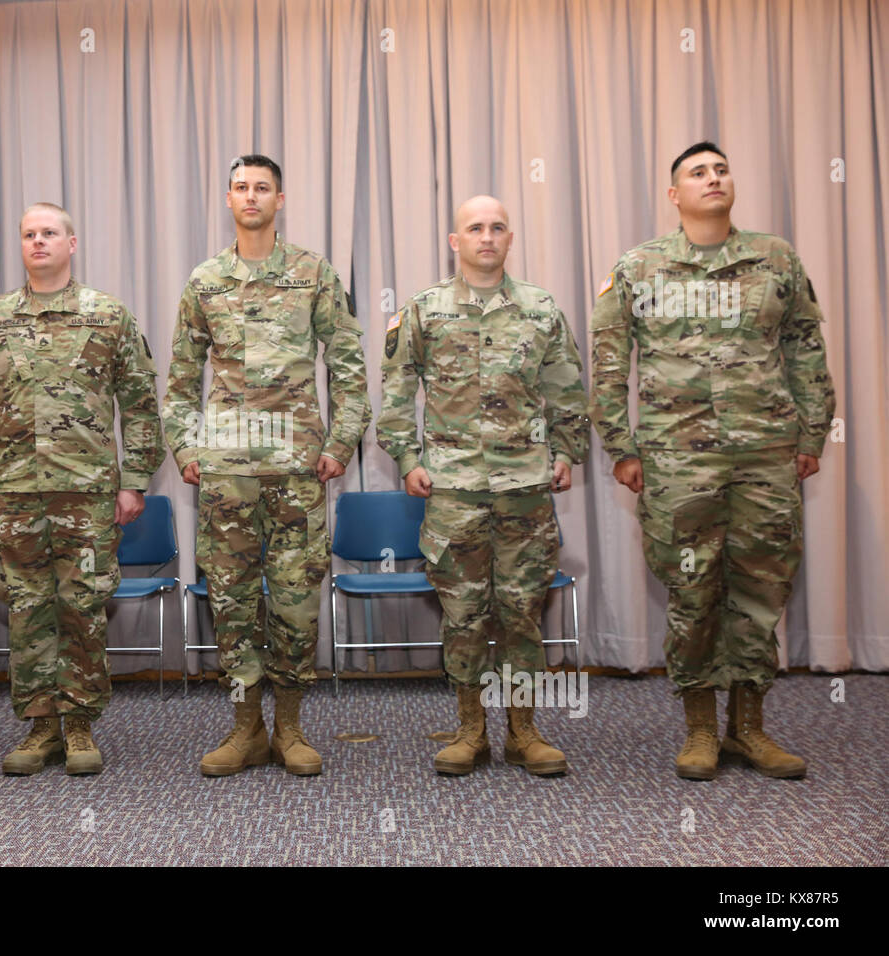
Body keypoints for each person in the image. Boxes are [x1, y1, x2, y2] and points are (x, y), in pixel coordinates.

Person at [589, 141, 836, 780]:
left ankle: (749, 728)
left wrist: (812, 436)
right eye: (698, 172)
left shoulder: (775, 258)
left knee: (761, 588)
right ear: (675, 195)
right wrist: (622, 447)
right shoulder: (640, 268)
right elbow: (610, 365)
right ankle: (700, 728)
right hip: (677, 462)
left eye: (721, 169)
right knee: (693, 590)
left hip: (764, 455)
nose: (713, 178)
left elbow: (807, 349)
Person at [163, 154, 370, 776]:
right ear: (228, 199)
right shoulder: (205, 282)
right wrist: (186, 447)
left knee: (296, 601)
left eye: (262, 188)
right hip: (226, 473)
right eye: (240, 188)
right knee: (229, 603)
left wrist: (340, 444)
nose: (251, 197)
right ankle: (244, 727)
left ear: (280, 199)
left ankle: (291, 728)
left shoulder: (313, 274)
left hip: (297, 470)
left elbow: (350, 370)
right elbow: (177, 382)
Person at [378, 195, 590, 776]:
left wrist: (568, 451)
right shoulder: (424, 310)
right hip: (453, 489)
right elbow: (396, 391)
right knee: (464, 615)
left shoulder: (541, 309)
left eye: (497, 227)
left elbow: (567, 388)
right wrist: (406, 456)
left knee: (521, 612)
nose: (487, 237)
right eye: (475, 228)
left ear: (510, 238)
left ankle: (525, 731)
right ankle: (470, 730)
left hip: (525, 486)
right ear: (456, 241)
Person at [0, 202, 163, 776]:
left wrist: (135, 479)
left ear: (72, 243)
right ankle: (40, 723)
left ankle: (80, 725)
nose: (38, 242)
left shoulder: (108, 316)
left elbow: (141, 404)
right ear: (19, 245)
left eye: (49, 233)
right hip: (16, 490)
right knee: (26, 608)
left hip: (89, 490)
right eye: (28, 234)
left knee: (82, 607)